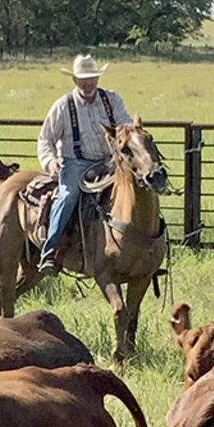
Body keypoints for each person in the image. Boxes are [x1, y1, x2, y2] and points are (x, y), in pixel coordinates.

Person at [35, 54, 133, 274]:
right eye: (83, 79)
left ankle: (145, 247)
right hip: (75, 162)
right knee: (68, 197)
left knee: (134, 189)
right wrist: (50, 162)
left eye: (92, 78)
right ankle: (50, 251)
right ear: (75, 80)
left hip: (109, 162)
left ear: (97, 78)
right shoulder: (63, 106)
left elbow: (126, 127)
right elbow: (45, 139)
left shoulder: (112, 100)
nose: (88, 83)